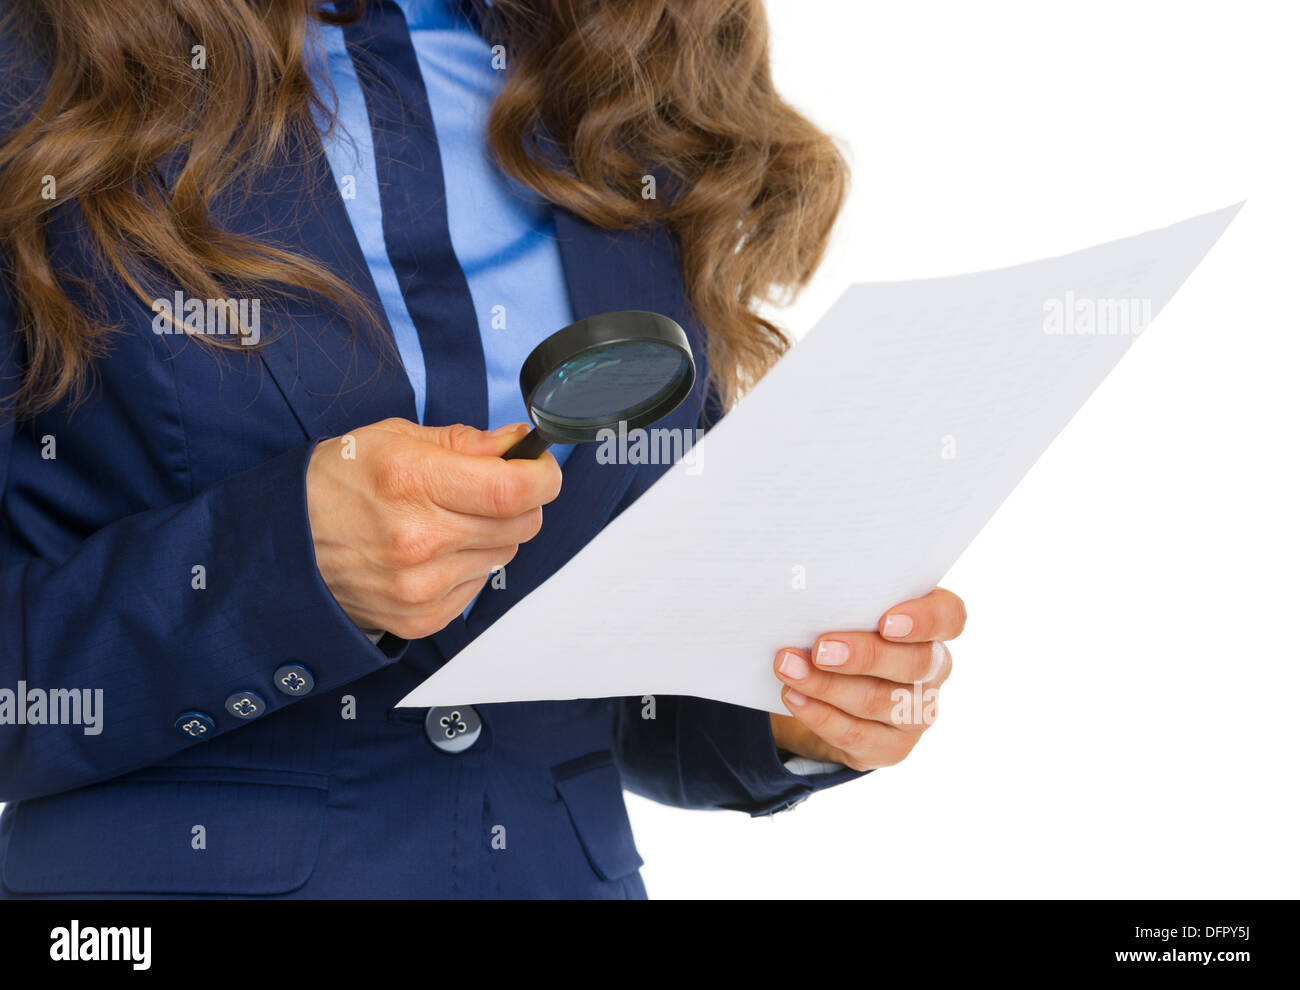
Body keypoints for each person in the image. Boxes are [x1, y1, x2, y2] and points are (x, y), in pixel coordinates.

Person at [0, 0, 965, 898]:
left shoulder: (629, 60)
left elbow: (605, 686)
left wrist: (785, 707)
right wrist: (276, 571)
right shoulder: (31, 64)